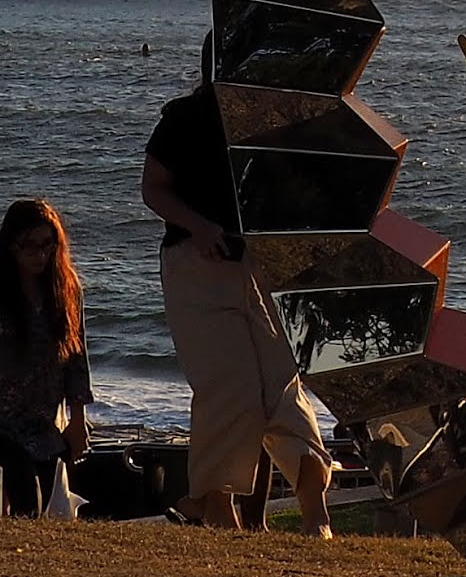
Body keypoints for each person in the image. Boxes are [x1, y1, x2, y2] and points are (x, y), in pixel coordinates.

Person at [143, 36, 333, 537]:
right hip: (200, 260)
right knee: (240, 385)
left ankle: (279, 497)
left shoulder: (272, 120)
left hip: (257, 263)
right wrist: (200, 227)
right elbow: (154, 189)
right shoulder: (188, 118)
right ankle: (233, 502)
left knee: (268, 383)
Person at [0, 199, 93, 516]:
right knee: (26, 499)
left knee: (39, 508)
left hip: (43, 425)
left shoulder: (66, 288)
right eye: (29, 246)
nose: (40, 255)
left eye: (47, 245)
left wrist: (78, 421)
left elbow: (76, 359)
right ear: (11, 245)